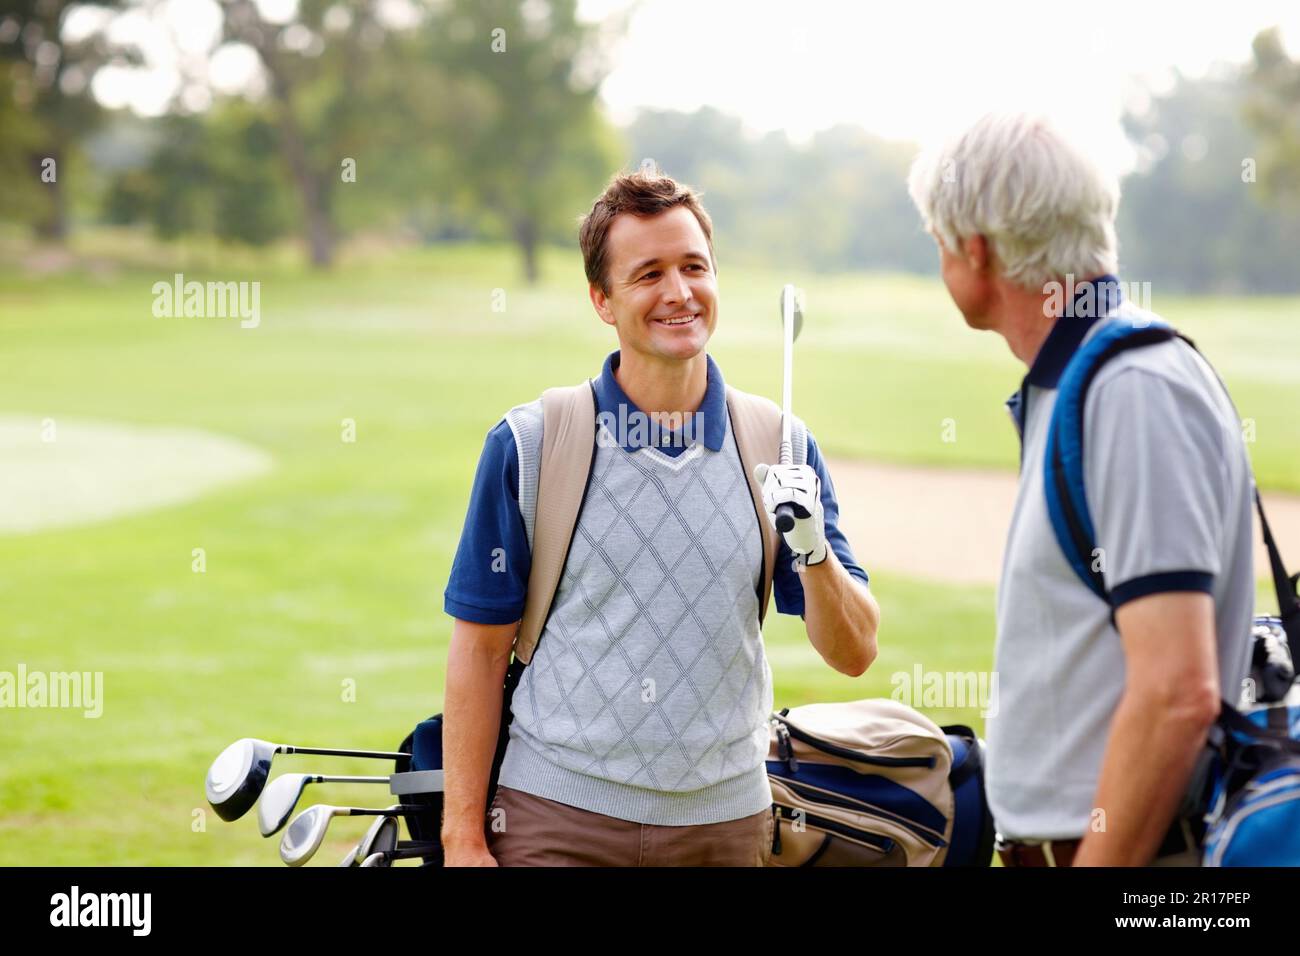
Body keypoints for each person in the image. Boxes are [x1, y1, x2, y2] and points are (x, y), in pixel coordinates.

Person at [439, 170, 880, 866]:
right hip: (557, 821)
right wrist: (462, 837)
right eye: (648, 274)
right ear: (603, 300)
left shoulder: (781, 445)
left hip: (726, 828)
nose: (679, 293)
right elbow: (479, 651)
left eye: (694, 267)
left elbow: (853, 653)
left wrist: (812, 549)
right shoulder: (530, 444)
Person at [906, 113, 1254, 866]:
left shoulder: (1132, 388)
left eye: (938, 240)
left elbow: (1176, 693)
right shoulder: (1091, 377)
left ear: (978, 250)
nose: (939, 259)